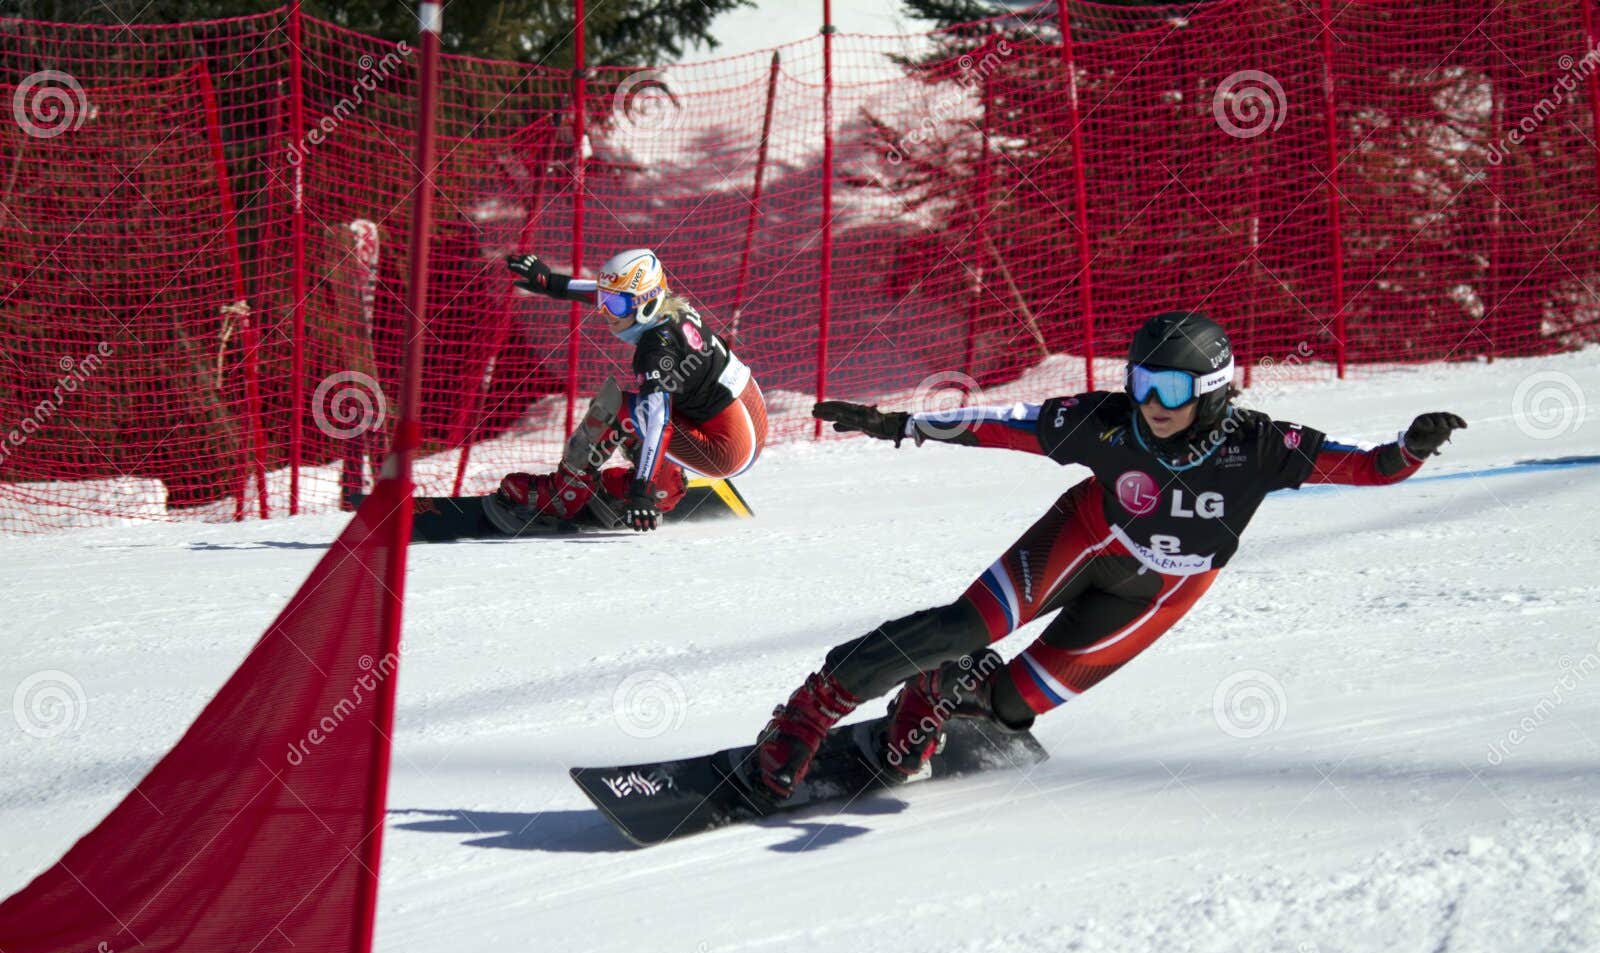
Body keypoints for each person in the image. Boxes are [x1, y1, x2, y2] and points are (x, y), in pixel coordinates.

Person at [753, 310, 1468, 799]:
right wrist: (900, 423)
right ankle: (813, 708)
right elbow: (1006, 425)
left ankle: (945, 688)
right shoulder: (1108, 422)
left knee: (1008, 707)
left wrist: (1408, 450)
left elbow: (1368, 468)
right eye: (1142, 381)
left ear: (1214, 393)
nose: (1151, 402)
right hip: (1087, 539)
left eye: (1172, 389)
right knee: (960, 626)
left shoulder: (1259, 446)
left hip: (1163, 591)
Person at [500, 247, 768, 531]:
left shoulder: (655, 350)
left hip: (724, 448)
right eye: (604, 302)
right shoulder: (667, 307)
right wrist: (553, 282)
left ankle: (563, 495)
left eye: (613, 307)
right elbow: (608, 293)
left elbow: (658, 424)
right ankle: (665, 488)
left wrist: (643, 493)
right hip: (744, 415)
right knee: (649, 406)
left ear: (645, 304)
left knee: (620, 407)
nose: (605, 313)